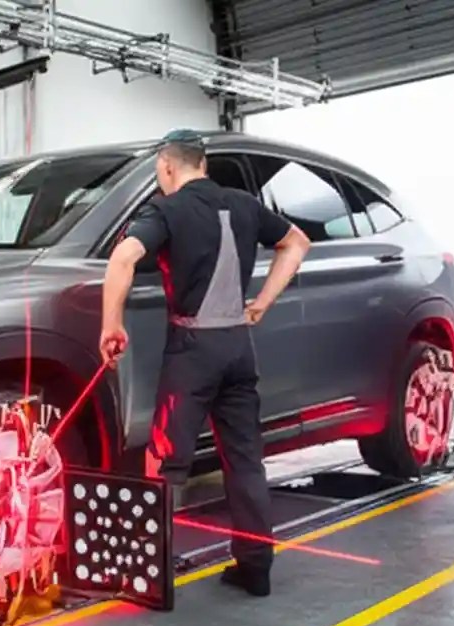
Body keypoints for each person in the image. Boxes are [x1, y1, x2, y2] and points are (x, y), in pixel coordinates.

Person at [99, 129, 311, 597]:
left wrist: (111, 325)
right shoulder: (244, 204)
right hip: (238, 345)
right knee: (245, 461)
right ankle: (255, 569)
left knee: (164, 462)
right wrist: (262, 302)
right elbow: (297, 243)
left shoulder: (167, 209)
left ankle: (149, 576)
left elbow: (123, 258)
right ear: (204, 164)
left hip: (192, 350)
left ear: (167, 166)